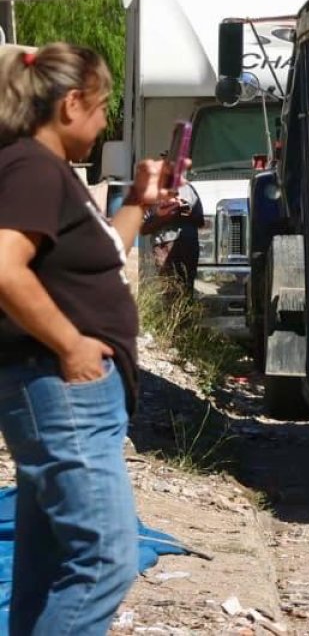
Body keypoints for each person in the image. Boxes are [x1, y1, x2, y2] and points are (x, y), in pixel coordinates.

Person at [0, 43, 175, 633]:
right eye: (101, 109)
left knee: (46, 569)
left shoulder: (47, 172)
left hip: (65, 395)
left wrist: (141, 207)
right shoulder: (31, 168)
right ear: (71, 104)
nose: (104, 125)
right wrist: (72, 345)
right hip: (60, 390)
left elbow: (97, 258)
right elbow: (3, 268)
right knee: (104, 558)